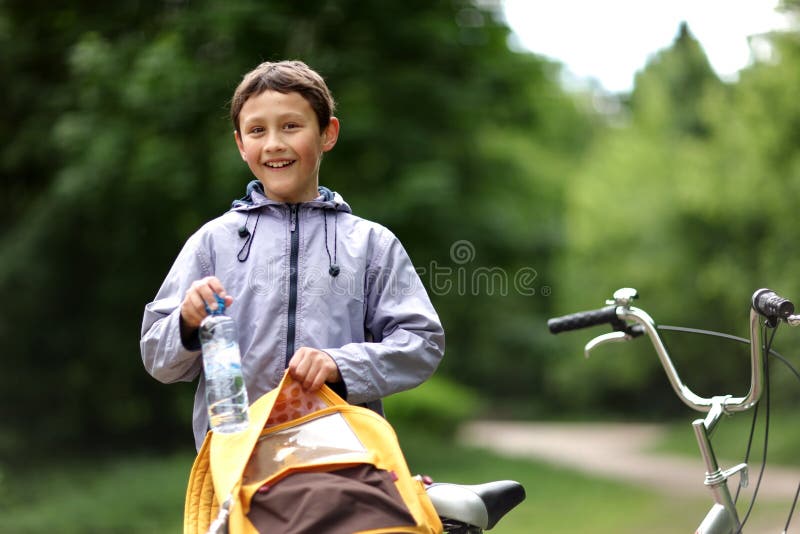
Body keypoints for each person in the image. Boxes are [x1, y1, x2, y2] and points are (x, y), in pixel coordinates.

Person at [140, 60, 445, 450]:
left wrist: (340, 365)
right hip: (236, 462)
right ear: (241, 144)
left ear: (327, 133)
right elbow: (158, 358)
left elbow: (422, 343)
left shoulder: (371, 243)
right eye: (257, 130)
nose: (273, 144)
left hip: (340, 461)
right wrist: (186, 321)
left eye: (290, 126)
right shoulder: (212, 242)